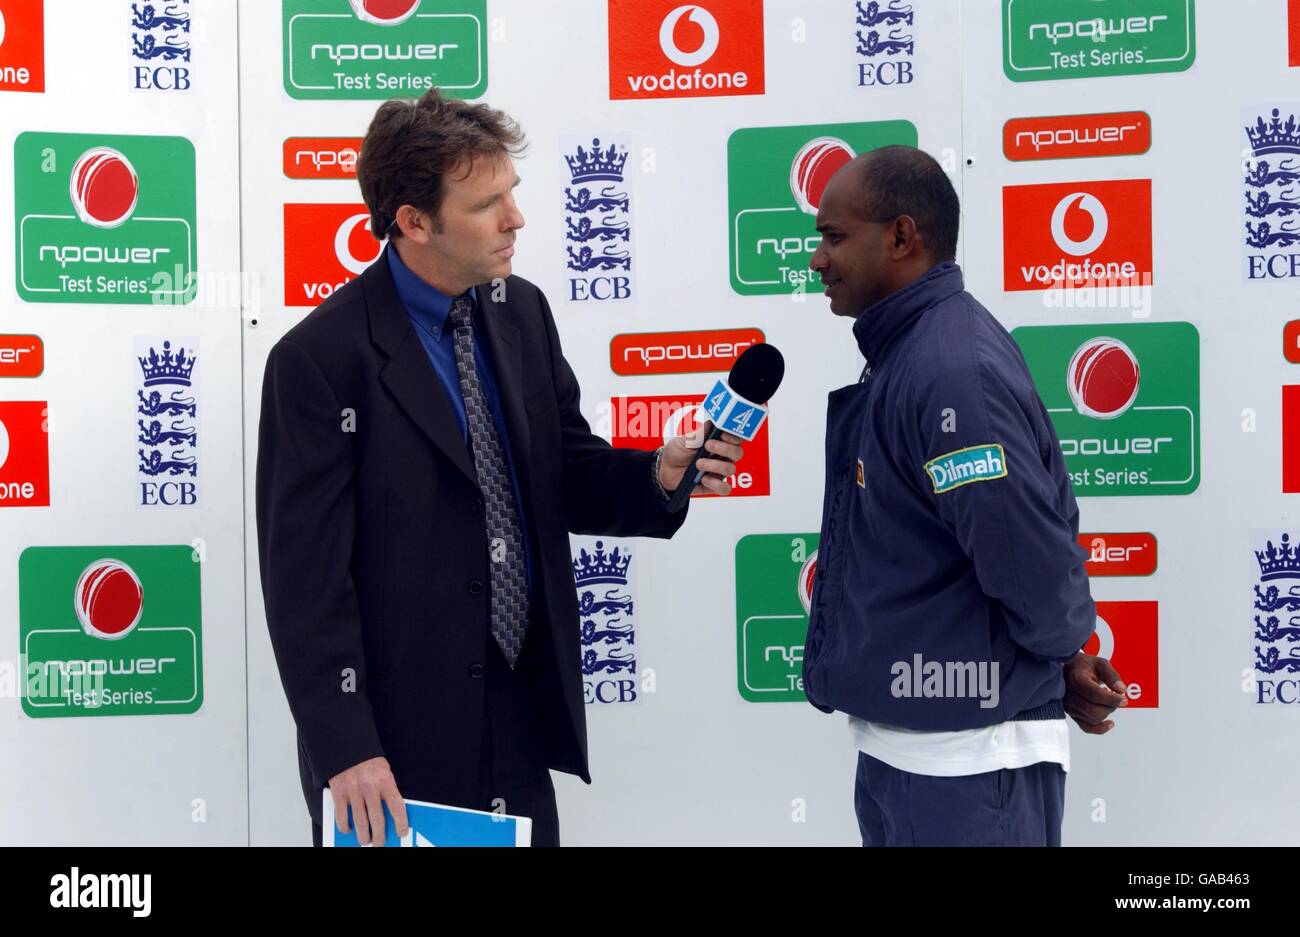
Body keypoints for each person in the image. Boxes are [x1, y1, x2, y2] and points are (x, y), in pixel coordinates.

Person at [255, 88, 744, 847]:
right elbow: (304, 583)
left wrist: (659, 476)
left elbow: (566, 471)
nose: (516, 219)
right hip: (389, 746)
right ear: (414, 222)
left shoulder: (522, 312)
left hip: (518, 714)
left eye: (511, 194)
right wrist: (345, 746)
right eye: (488, 204)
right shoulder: (318, 362)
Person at [800, 145, 1127, 847]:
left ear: (901, 236)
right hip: (910, 757)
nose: (816, 259)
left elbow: (1026, 559)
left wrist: (1064, 652)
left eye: (833, 236)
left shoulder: (950, 370)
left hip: (973, 770)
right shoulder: (912, 352)